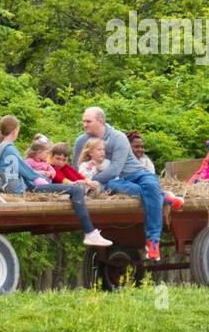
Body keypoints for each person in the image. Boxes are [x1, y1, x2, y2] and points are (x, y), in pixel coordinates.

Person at [74, 106, 183, 262]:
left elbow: (115, 169)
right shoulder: (81, 140)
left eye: (88, 121)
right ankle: (163, 196)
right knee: (136, 190)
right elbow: (75, 168)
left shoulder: (117, 137)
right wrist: (78, 183)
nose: (84, 124)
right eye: (83, 121)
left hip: (135, 174)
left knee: (151, 185)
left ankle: (153, 242)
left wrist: (94, 181)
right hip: (114, 181)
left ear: (100, 121)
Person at [0, 115, 112, 247]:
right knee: (77, 189)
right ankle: (90, 232)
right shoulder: (10, 149)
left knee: (68, 187)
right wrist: (45, 180)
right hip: (19, 190)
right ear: (15, 131)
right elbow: (28, 172)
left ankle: (90, 231)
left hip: (11, 187)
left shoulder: (1, 147)